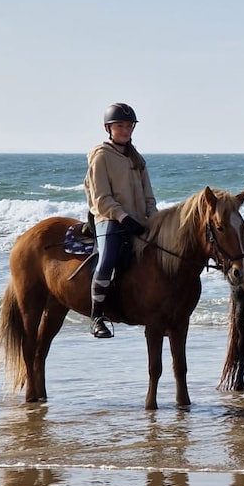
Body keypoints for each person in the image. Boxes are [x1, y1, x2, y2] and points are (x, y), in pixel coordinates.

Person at [83, 102, 158, 339]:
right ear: (109, 128)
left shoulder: (137, 159)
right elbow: (101, 197)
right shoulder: (101, 157)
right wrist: (123, 218)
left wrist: (155, 220)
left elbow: (149, 196)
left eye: (128, 126)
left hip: (138, 219)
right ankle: (97, 317)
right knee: (107, 261)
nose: (125, 130)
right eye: (120, 126)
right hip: (110, 219)